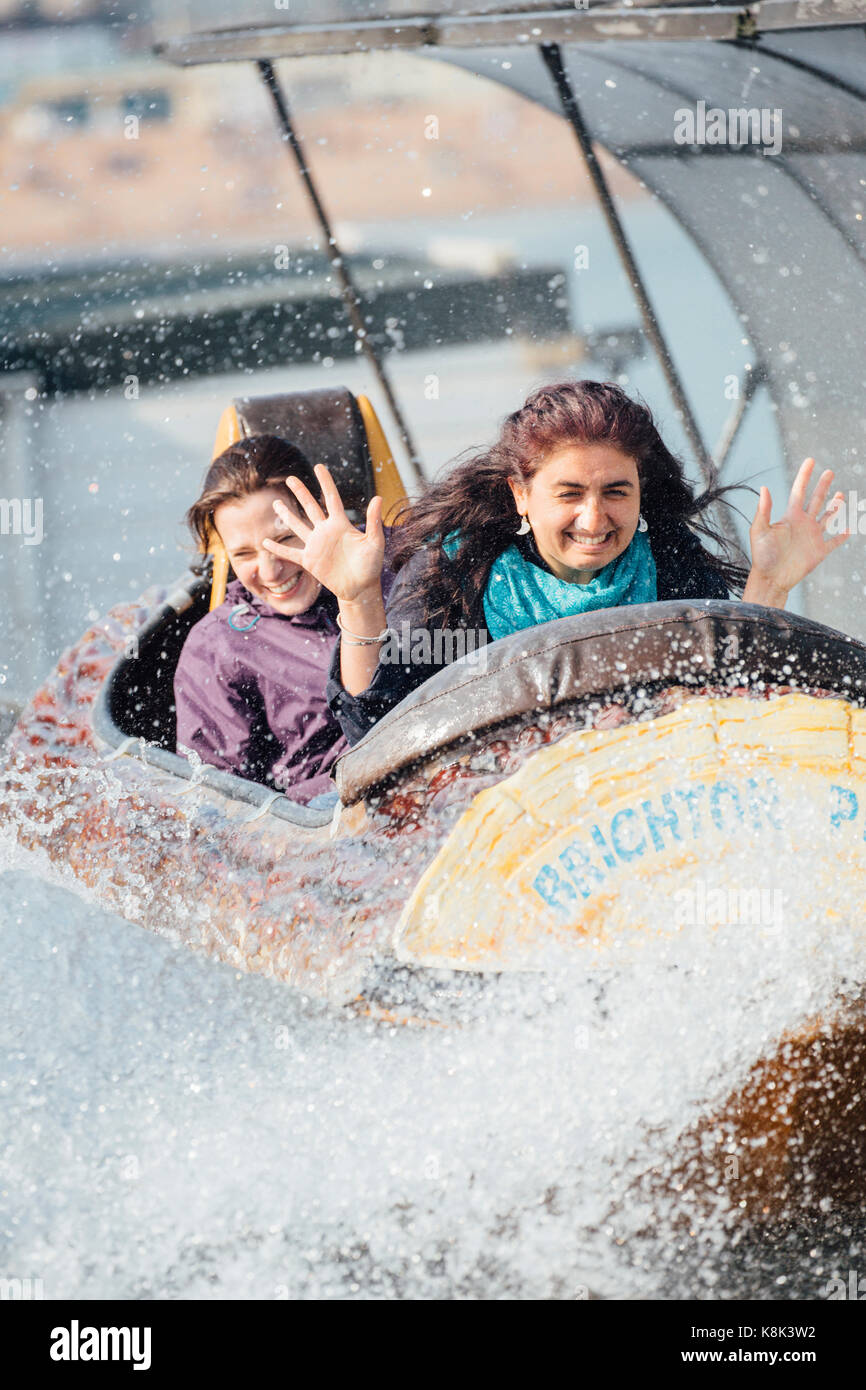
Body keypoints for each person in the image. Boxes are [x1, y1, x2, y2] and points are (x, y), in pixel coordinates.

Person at [256, 380, 850, 747]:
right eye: (569, 494)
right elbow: (372, 731)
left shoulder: (668, 563)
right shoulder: (456, 575)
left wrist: (769, 583)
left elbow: (736, 701)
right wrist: (358, 601)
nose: (594, 520)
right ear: (521, 495)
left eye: (616, 491)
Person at [174, 433, 394, 803]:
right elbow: (216, 806)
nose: (271, 571)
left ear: (319, 511)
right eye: (244, 554)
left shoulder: (404, 565)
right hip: (327, 816)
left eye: (284, 539)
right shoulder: (217, 647)